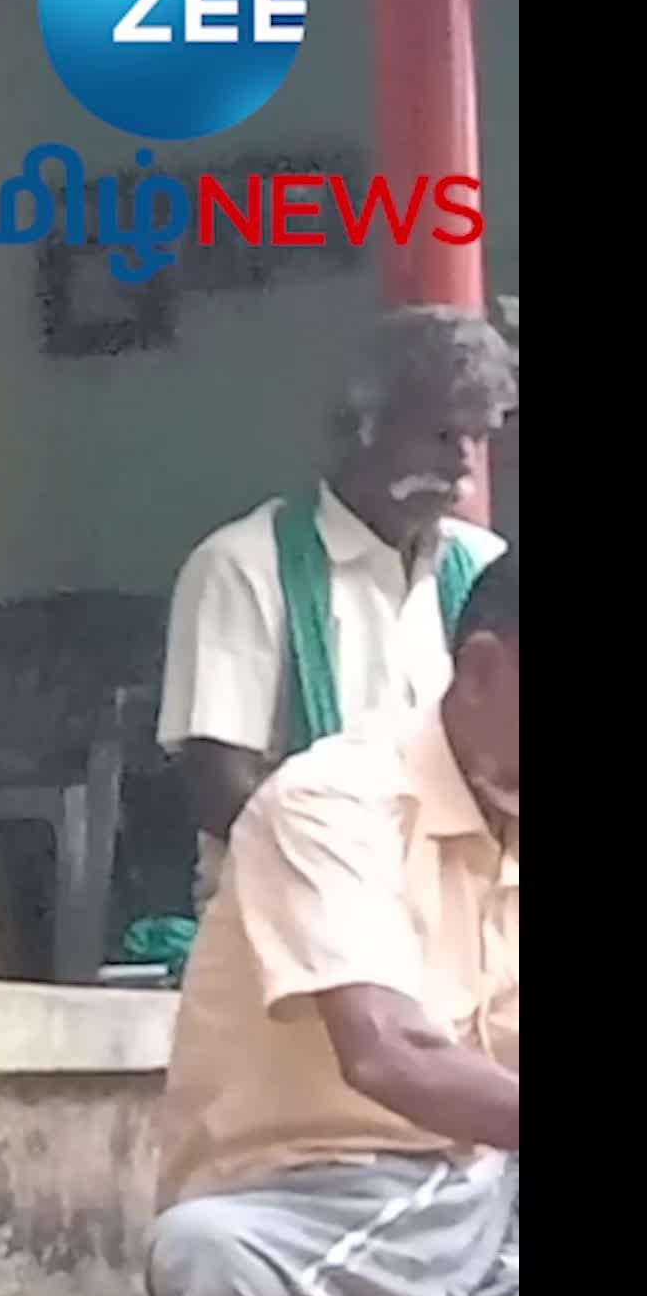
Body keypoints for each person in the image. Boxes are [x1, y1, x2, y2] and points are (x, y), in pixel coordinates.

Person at [143, 556, 518, 1296]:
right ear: (482, 669)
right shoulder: (336, 801)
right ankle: (477, 1288)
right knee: (209, 1255)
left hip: (479, 1180)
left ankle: (473, 1286)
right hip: (315, 1194)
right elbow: (388, 1053)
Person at [157, 305, 515, 892]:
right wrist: (374, 871)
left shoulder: (483, 565)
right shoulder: (244, 566)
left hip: (455, 919)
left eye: (478, 438)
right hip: (295, 917)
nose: (461, 465)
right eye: (442, 435)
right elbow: (220, 788)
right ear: (362, 427)